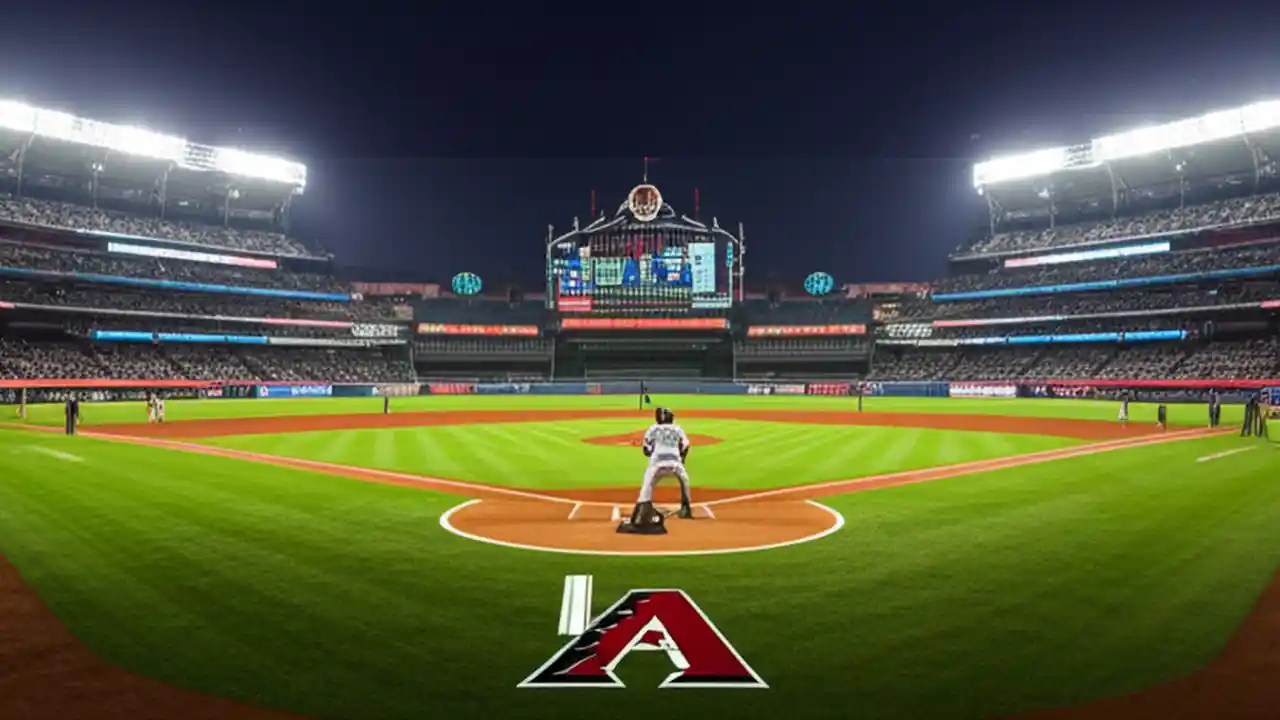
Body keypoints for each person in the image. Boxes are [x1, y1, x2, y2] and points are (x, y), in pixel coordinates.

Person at [618, 407, 693, 534]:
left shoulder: (653, 428)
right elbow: (686, 445)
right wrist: (681, 457)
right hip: (675, 463)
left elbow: (646, 448)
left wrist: (652, 451)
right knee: (685, 480)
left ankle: (643, 510)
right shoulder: (678, 428)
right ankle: (686, 508)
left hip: (657, 463)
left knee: (647, 486)